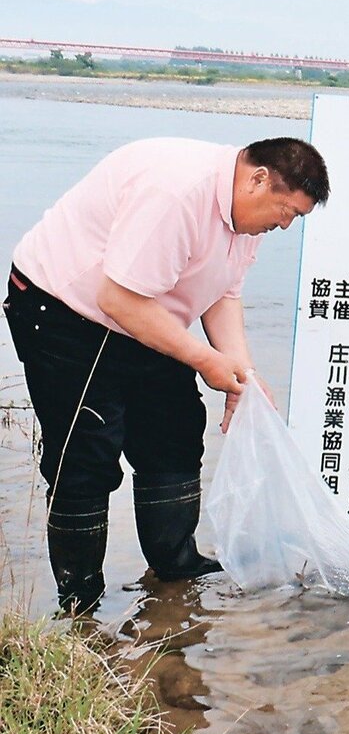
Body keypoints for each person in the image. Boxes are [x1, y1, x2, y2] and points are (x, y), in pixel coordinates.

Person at [3, 136, 330, 612]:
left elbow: (223, 293)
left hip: (147, 310)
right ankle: (81, 603)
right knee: (86, 455)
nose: (285, 225)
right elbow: (117, 300)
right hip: (64, 310)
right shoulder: (177, 193)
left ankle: (175, 568)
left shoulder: (245, 218)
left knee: (174, 432)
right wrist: (205, 360)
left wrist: (240, 369)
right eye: (288, 212)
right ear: (258, 179)